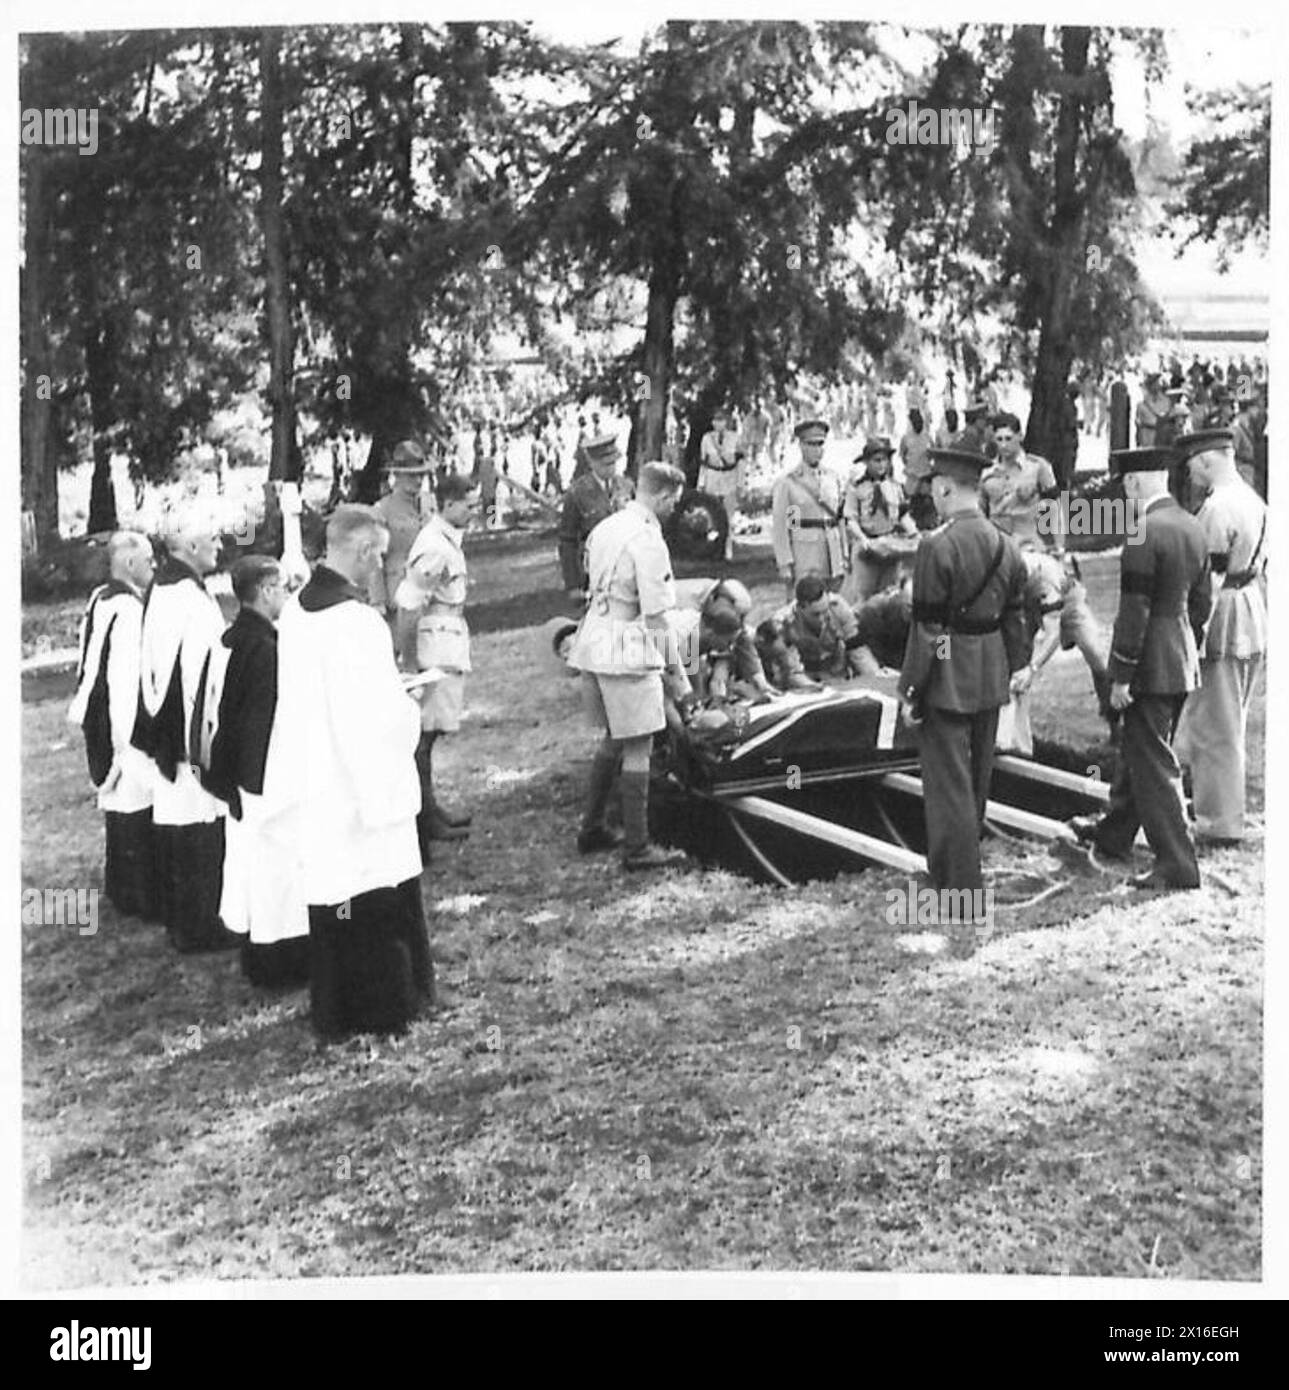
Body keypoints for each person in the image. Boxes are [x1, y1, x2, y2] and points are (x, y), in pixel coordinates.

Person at [263, 505, 433, 1039]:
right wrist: (412, 705)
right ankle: (387, 1005)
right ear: (361, 551)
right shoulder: (356, 622)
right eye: (379, 555)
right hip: (362, 781)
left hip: (319, 774)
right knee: (377, 886)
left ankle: (338, 1008)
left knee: (337, 895)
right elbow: (377, 715)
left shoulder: (294, 612)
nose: (380, 564)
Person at [1069, 448, 1213, 890]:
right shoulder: (1192, 524)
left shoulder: (1143, 532)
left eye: (1125, 487)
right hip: (1181, 656)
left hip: (1150, 664)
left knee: (1152, 764)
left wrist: (1121, 676)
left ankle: (1177, 862)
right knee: (1141, 752)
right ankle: (1115, 834)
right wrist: (1190, 646)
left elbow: (1134, 613)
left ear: (1133, 484)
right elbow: (1202, 603)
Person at [898, 448, 1030, 900]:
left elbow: (930, 628)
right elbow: (1015, 616)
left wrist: (914, 685)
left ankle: (959, 883)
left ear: (945, 488)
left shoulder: (937, 545)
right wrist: (1017, 665)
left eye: (935, 487)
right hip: (990, 665)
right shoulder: (1005, 543)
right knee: (977, 777)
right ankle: (954, 866)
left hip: (949, 667)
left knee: (947, 780)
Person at [566, 462, 694, 870]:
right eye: (673, 501)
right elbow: (656, 617)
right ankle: (637, 848)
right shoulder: (648, 540)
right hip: (626, 646)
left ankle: (592, 828)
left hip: (596, 638)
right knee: (640, 744)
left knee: (613, 739)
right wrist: (678, 671)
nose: (674, 509)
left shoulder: (607, 526)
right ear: (663, 496)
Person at [131, 507, 237, 952]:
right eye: (212, 539)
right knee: (198, 826)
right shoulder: (187, 598)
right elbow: (200, 673)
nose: (219, 545)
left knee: (184, 823)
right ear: (191, 548)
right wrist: (210, 735)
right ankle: (201, 925)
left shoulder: (167, 590)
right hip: (187, 734)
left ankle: (187, 922)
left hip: (168, 729)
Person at [205, 556, 309, 987]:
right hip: (265, 777)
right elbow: (264, 721)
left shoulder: (230, 638)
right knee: (278, 879)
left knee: (254, 872)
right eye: (282, 587)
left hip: (236, 777)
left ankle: (260, 958)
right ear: (265, 590)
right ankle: (281, 966)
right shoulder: (266, 649)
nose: (286, 594)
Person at [1172, 429, 1267, 847]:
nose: (1189, 472)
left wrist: (1194, 632)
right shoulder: (1255, 500)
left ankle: (1219, 822)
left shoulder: (1218, 508)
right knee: (1230, 719)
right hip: (1250, 608)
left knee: (1217, 725)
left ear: (1207, 460)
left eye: (1191, 464)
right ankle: (1222, 810)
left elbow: (1206, 580)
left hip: (1224, 610)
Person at [67, 531, 157, 919]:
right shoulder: (128, 610)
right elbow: (122, 678)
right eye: (149, 560)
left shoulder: (100, 597)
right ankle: (137, 892)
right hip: (116, 715)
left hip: (95, 709)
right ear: (130, 564)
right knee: (131, 800)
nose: (153, 567)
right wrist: (125, 741)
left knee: (120, 806)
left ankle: (121, 885)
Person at [396, 472, 479, 856]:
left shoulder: (446, 541)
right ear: (446, 505)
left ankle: (432, 813)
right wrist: (410, 663)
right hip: (432, 644)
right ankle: (422, 821)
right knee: (422, 738)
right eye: (467, 504)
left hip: (446, 636)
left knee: (431, 737)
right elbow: (409, 606)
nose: (474, 510)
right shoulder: (434, 547)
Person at [998, 544, 1109, 756]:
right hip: (1028, 604)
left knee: (1096, 657)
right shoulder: (1006, 571)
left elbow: (1053, 633)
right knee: (1016, 661)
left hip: (1069, 601)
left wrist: (1033, 668)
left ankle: (1113, 722)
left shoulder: (1044, 578)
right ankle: (1015, 737)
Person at [771, 418, 847, 597]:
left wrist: (844, 552)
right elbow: (785, 525)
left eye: (820, 444)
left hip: (832, 551)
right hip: (805, 552)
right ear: (801, 446)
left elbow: (840, 518)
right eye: (811, 444)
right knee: (804, 602)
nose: (817, 450)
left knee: (833, 603)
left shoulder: (832, 478)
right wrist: (785, 563)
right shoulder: (789, 482)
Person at [842, 437, 918, 606]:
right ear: (867, 462)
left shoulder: (895, 487)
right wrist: (862, 538)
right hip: (867, 547)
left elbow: (902, 515)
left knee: (890, 595)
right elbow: (850, 519)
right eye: (877, 460)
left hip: (890, 546)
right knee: (863, 597)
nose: (882, 465)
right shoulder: (857, 487)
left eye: (884, 460)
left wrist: (913, 533)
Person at [557, 432, 633, 597]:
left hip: (627, 570)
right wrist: (573, 585)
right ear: (592, 463)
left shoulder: (626, 487)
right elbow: (567, 541)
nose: (611, 468)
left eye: (613, 462)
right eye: (605, 464)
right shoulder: (577, 493)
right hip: (594, 572)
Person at [371, 441, 434, 617]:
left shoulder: (430, 504)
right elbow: (375, 559)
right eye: (412, 476)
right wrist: (378, 601)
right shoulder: (383, 510)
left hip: (431, 595)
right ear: (397, 475)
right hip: (399, 595)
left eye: (421, 475)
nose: (418, 480)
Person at [981, 412, 1059, 548]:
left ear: (1020, 436)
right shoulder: (986, 472)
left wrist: (1060, 547)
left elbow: (1055, 509)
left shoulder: (1037, 466)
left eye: (1008, 438)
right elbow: (980, 514)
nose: (1004, 445)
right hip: (997, 545)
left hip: (1028, 543)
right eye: (999, 439)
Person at [776, 574, 871, 679]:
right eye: (815, 614)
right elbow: (788, 670)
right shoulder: (784, 624)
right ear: (801, 608)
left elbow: (858, 650)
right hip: (805, 675)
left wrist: (874, 677)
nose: (822, 619)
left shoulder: (839, 607)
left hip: (839, 672)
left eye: (825, 612)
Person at [699, 408, 744, 561]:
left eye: (721, 420)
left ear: (727, 422)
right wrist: (701, 483)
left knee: (728, 516)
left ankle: (728, 549)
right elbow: (703, 463)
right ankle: (714, 550)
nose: (718, 423)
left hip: (729, 477)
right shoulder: (706, 439)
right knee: (713, 515)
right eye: (715, 420)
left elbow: (741, 462)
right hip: (713, 477)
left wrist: (740, 483)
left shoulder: (735, 438)